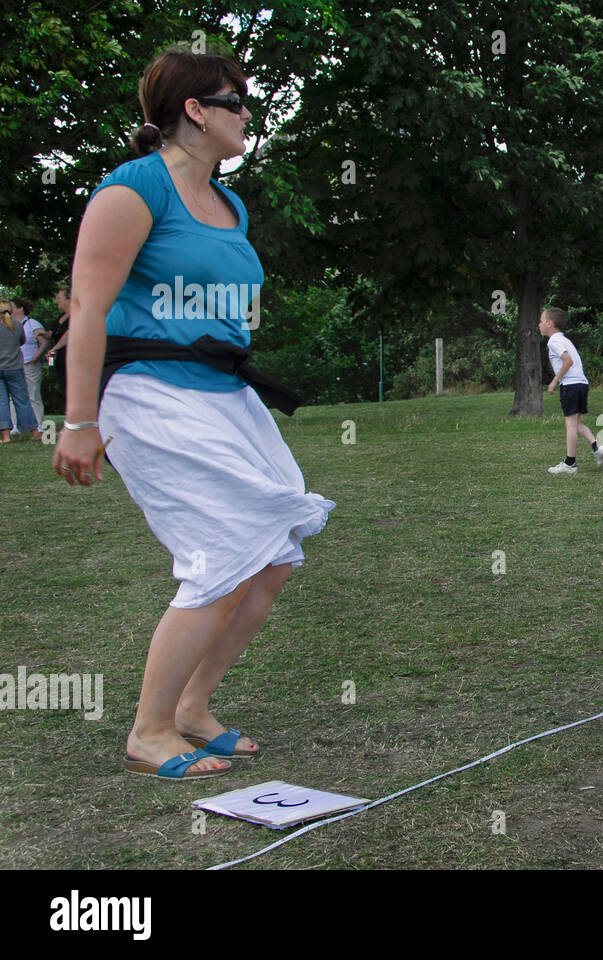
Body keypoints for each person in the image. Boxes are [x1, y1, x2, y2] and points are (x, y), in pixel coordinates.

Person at [52, 50, 335, 779]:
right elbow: (89, 306)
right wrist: (79, 421)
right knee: (220, 550)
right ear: (196, 111)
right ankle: (148, 731)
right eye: (237, 101)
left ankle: (190, 708)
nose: (250, 114)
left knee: (272, 554)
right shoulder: (133, 190)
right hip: (147, 393)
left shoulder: (230, 203)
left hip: (225, 395)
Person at [539, 307, 603, 474]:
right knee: (576, 423)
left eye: (541, 321)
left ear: (550, 323)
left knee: (570, 424)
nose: (539, 324)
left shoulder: (553, 341)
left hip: (570, 384)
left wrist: (554, 381)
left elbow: (567, 361)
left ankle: (570, 463)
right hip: (582, 383)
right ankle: (597, 448)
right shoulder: (565, 340)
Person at [1, 299, 42, 442]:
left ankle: (6, 436)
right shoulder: (17, 327)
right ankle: (34, 432)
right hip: (15, 368)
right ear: (10, 312)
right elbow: (22, 342)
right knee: (23, 400)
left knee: (2, 402)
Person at [7, 298, 48, 430]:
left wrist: (35, 358)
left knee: (33, 394)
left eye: (12, 307)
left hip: (30, 364)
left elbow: (44, 342)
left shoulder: (32, 323)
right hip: (14, 365)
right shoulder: (9, 325)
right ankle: (14, 425)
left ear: (20, 308)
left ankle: (39, 424)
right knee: (13, 396)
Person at [45, 283, 72, 401]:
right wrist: (40, 333)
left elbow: (70, 333)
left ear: (69, 298)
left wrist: (55, 348)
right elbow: (50, 334)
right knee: (64, 388)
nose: (57, 301)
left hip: (73, 358)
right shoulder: (61, 317)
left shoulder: (76, 315)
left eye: (59, 298)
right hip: (60, 360)